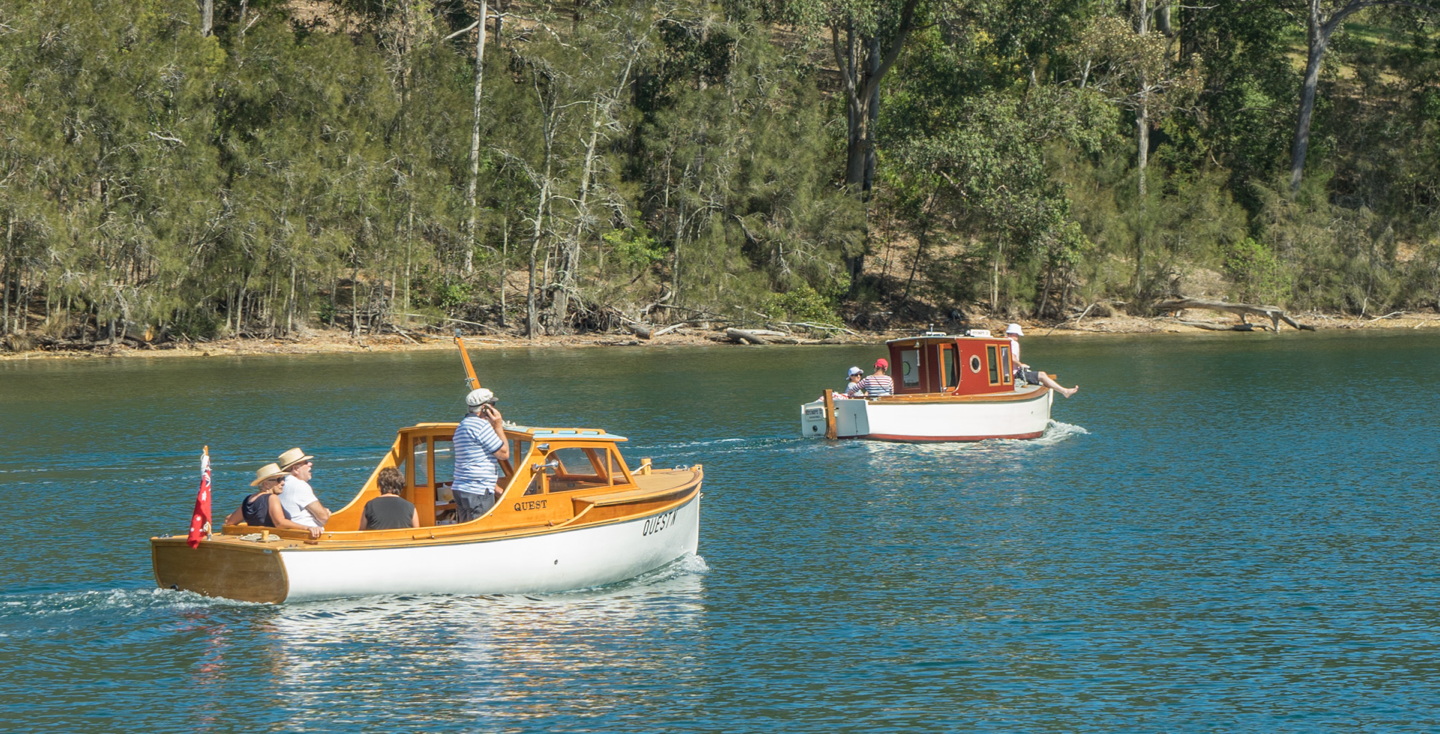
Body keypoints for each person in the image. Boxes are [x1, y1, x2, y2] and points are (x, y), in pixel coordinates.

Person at [452, 387, 510, 523]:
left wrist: (495, 488)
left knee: (465, 530)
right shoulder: (481, 426)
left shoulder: (462, 426)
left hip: (461, 488)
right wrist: (498, 426)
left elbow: (474, 463)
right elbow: (504, 453)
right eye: (493, 405)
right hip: (477, 492)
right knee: (481, 530)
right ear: (485, 408)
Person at [223, 463, 324, 539]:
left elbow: (230, 521)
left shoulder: (248, 499)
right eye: (279, 480)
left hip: (256, 540)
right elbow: (280, 523)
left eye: (283, 479)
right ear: (266, 484)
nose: (283, 483)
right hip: (272, 540)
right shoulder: (272, 498)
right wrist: (307, 528)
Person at [1005, 323, 1079, 398]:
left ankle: (1064, 391)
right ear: (1014, 334)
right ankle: (1064, 391)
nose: (1018, 337)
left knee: (1038, 375)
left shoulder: (1003, 341)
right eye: (1017, 334)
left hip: (1005, 375)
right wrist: (1020, 364)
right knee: (1042, 375)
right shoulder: (1013, 343)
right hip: (1014, 374)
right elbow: (1012, 358)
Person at [277, 447, 331, 529]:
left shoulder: (279, 484)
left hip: (290, 531)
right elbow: (323, 517)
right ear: (295, 469)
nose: (310, 464)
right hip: (310, 534)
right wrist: (325, 512)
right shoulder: (299, 485)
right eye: (306, 462)